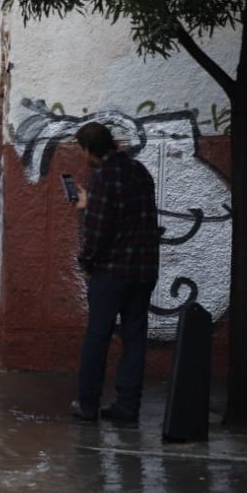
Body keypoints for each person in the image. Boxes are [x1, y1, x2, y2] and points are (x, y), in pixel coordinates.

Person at [69, 122, 160, 426]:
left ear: (89, 149)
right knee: (135, 338)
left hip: (112, 272)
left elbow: (98, 232)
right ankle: (127, 406)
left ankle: (88, 404)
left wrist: (85, 260)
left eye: (82, 151)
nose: (83, 157)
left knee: (98, 336)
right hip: (144, 270)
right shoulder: (139, 171)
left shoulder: (103, 177)